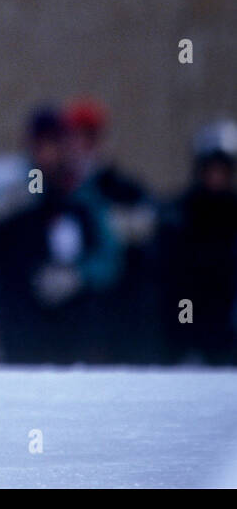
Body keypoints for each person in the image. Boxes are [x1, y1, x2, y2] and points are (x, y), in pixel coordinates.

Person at [0, 105, 122, 364]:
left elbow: (108, 259)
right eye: (41, 144)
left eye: (54, 144)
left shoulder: (81, 200)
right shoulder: (9, 198)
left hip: (74, 337)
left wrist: (78, 276)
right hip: (19, 333)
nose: (48, 153)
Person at [64, 98, 159, 363]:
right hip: (71, 328)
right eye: (76, 137)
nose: (82, 146)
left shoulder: (125, 190)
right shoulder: (56, 191)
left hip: (122, 321)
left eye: (89, 136)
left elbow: (154, 237)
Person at [157, 120, 237, 365]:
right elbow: (171, 274)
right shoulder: (180, 212)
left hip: (226, 317)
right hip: (189, 311)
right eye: (210, 169)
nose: (215, 176)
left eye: (221, 169)